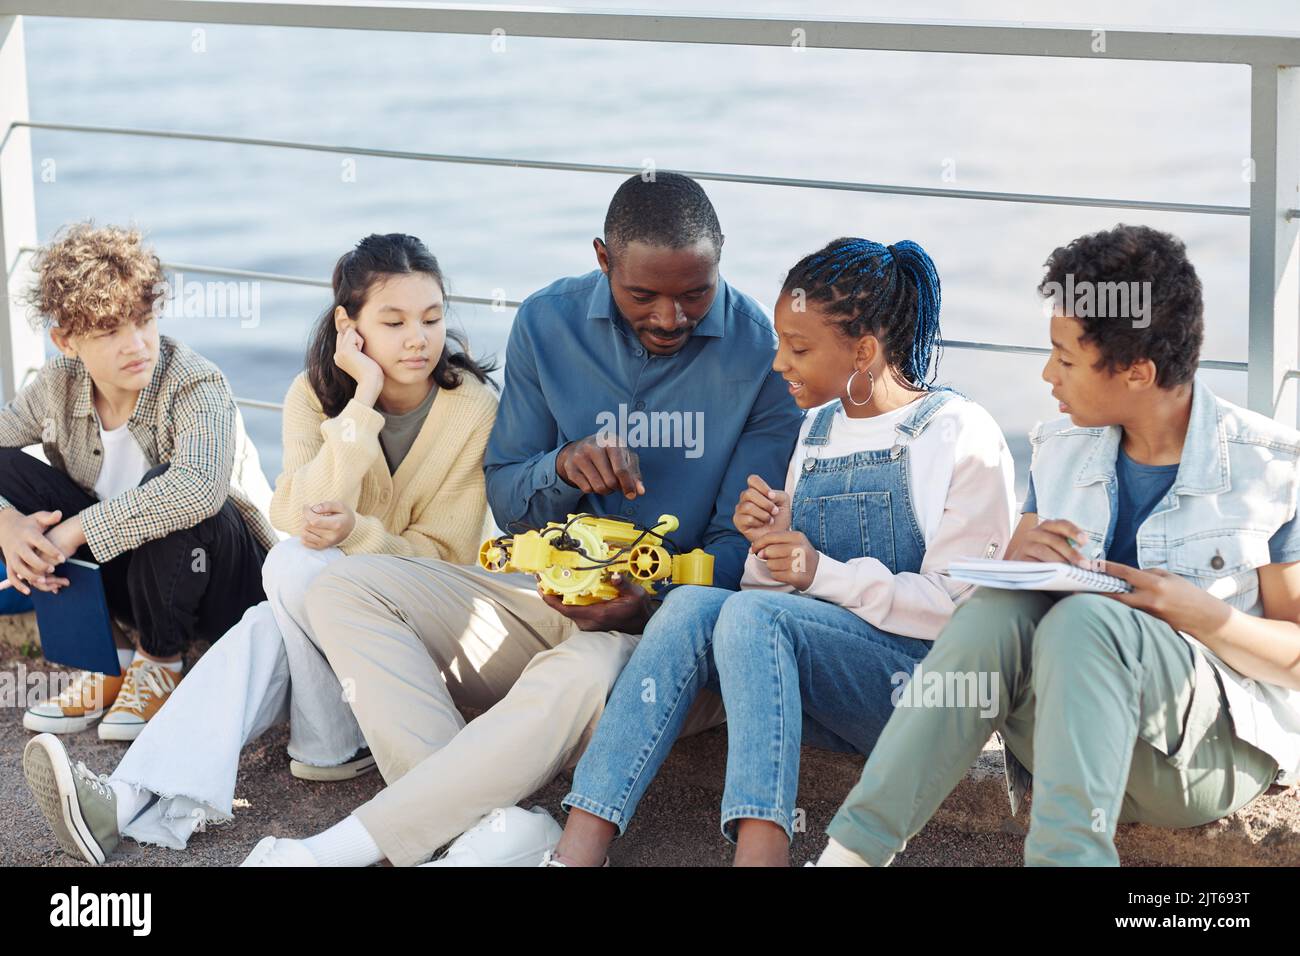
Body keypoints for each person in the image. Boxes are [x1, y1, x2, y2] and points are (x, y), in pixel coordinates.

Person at [240, 171, 805, 867]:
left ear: (720, 264)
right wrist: (562, 466)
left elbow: (736, 554)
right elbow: (508, 496)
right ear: (603, 260)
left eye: (695, 293)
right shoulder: (547, 321)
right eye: (643, 296)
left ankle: (344, 848)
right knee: (340, 588)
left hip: (667, 640)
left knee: (580, 666)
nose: (670, 317)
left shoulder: (762, 355)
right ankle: (484, 832)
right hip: (543, 598)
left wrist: (642, 603)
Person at [816, 224, 1300, 867]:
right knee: (997, 609)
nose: (1048, 375)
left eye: (1066, 359)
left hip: (1197, 761)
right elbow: (991, 631)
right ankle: (850, 856)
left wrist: (1201, 616)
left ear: (1137, 371)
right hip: (1067, 741)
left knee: (1089, 620)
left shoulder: (1269, 468)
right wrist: (1019, 566)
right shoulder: (1061, 451)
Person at [21, 233, 499, 865]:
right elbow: (296, 515)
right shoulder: (314, 393)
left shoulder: (471, 409)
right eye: (395, 321)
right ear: (347, 326)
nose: (419, 338)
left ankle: (304, 752)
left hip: (416, 635)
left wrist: (355, 531)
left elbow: (445, 560)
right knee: (286, 587)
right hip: (322, 628)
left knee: (292, 574)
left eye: (433, 319)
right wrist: (359, 400)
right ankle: (125, 798)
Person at [546, 237, 1016, 866]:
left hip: (924, 693)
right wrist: (766, 547)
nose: (778, 366)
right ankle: (581, 846)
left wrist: (821, 570)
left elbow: (965, 619)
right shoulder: (818, 430)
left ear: (864, 351)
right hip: (821, 679)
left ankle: (760, 857)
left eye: (798, 348)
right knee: (691, 603)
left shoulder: (957, 433)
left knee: (750, 615)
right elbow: (772, 606)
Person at [7, 222, 275, 740]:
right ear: (66, 340)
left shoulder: (195, 382)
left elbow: (197, 490)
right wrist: (5, 525)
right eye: (109, 332)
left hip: (227, 586)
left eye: (143, 320)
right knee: (10, 470)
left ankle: (158, 665)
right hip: (137, 585)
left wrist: (74, 531)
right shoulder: (58, 385)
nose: (136, 345)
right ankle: (111, 664)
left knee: (171, 487)